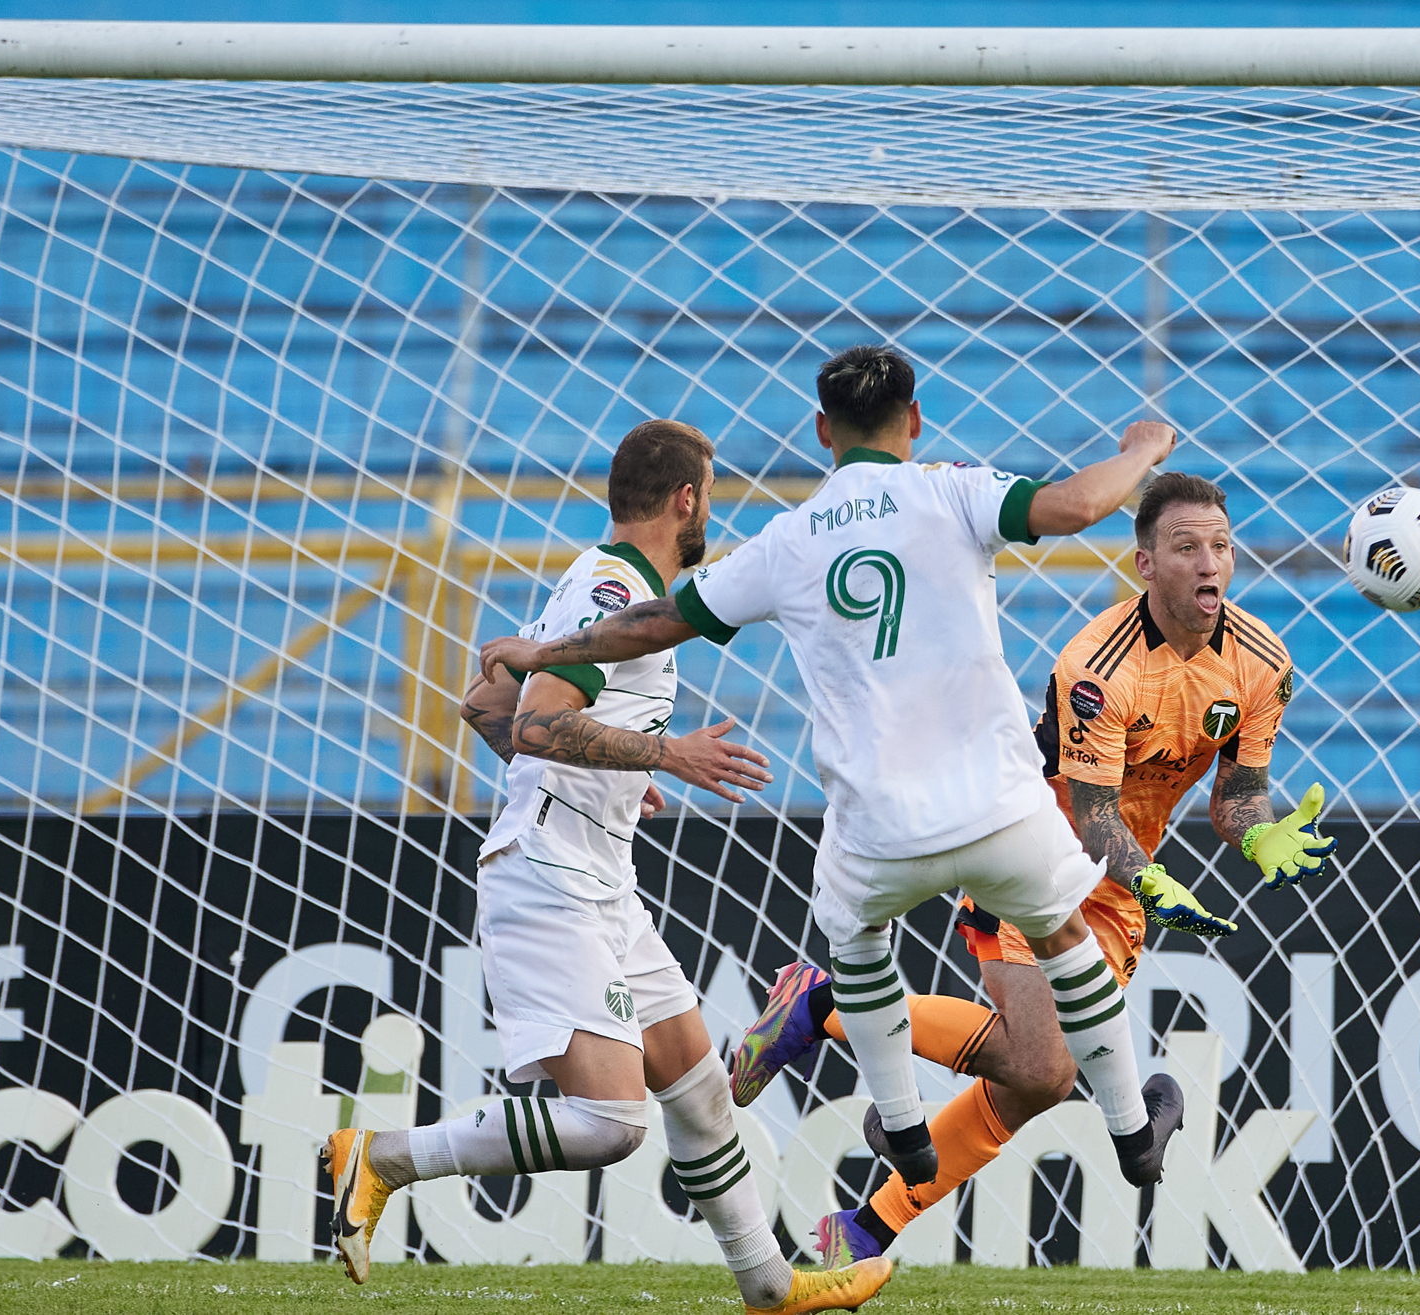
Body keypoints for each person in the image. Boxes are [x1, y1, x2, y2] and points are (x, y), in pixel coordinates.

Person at [479, 345, 1196, 1198]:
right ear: (915, 419)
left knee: (856, 945)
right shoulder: (955, 490)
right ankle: (1132, 1132)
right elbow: (1078, 504)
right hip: (999, 809)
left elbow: (658, 621)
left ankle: (904, 1129)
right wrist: (1144, 448)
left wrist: (546, 651)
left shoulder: (787, 539)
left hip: (879, 829)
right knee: (1064, 936)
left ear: (822, 430)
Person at [324, 419, 891, 1315]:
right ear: (686, 499)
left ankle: (770, 1286)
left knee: (699, 1089)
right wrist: (662, 754)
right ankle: (386, 1156)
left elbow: (485, 706)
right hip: (549, 876)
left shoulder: (601, 577)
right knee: (612, 1123)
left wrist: (610, 777)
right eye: (710, 494)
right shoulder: (613, 592)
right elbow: (535, 723)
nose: (711, 511)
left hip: (597, 871)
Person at [726, 470, 1341, 1265]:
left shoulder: (1262, 662)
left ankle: (862, 1224)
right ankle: (825, 1006)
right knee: (1043, 1066)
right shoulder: (1098, 665)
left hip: (1122, 885)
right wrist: (1151, 880)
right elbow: (1091, 815)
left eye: (1220, 546)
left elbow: (1239, 798)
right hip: (1031, 852)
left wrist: (1261, 837)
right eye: (1185, 546)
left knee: (1032, 1082)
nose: (1207, 562)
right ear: (1146, 564)